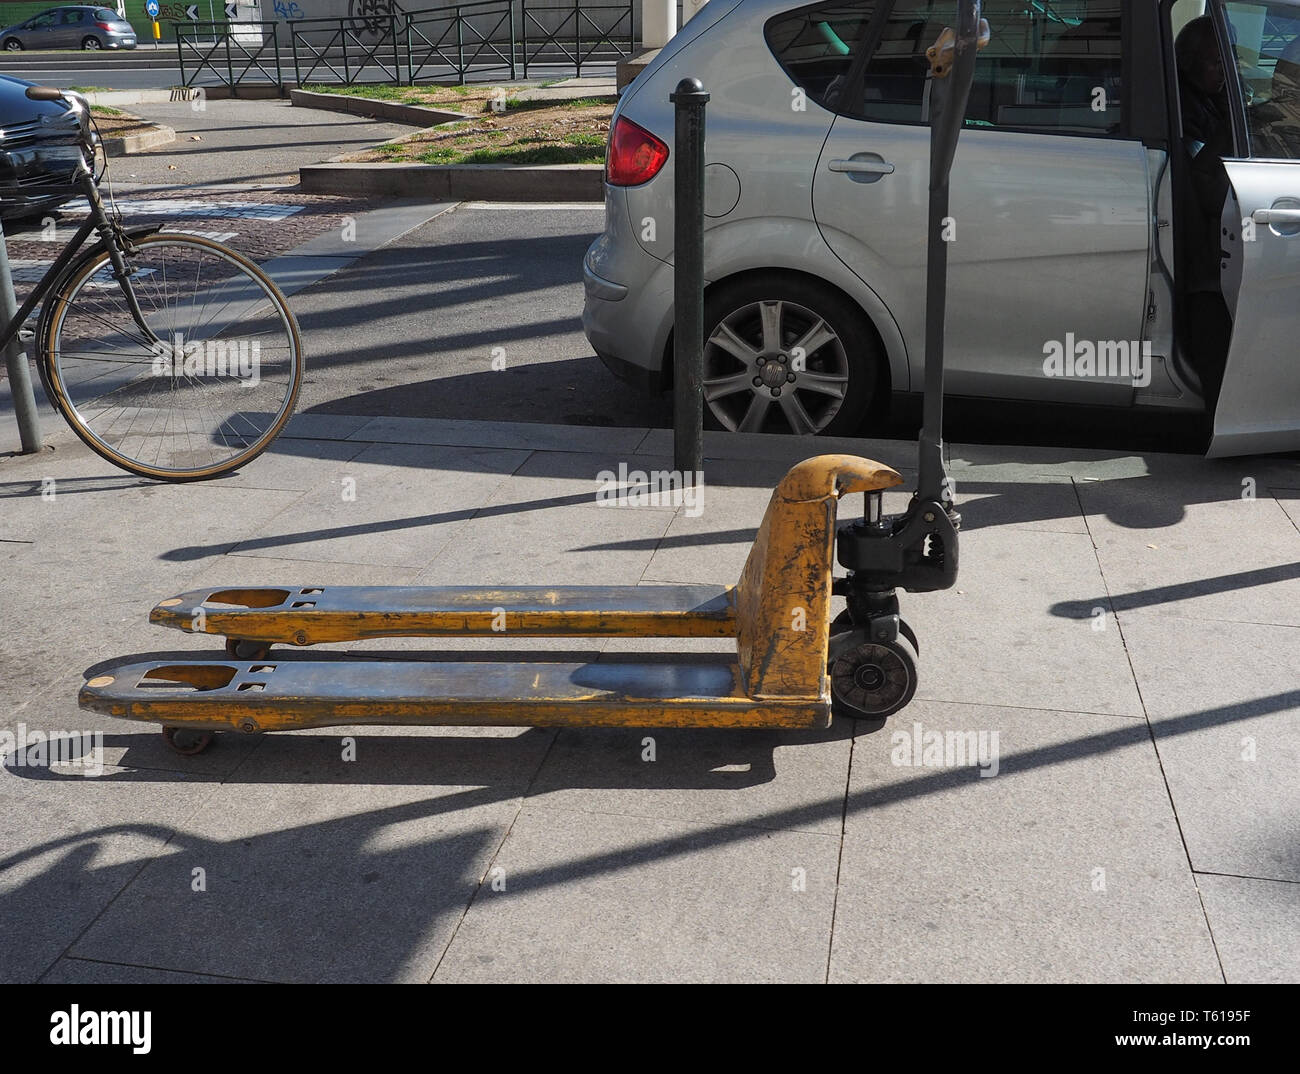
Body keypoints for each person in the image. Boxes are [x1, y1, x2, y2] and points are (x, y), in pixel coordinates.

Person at [1175, 15, 1235, 406]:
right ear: (1191, 62)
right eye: (1216, 63)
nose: (1223, 73)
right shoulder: (1184, 106)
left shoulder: (1214, 99)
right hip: (1196, 246)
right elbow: (1206, 183)